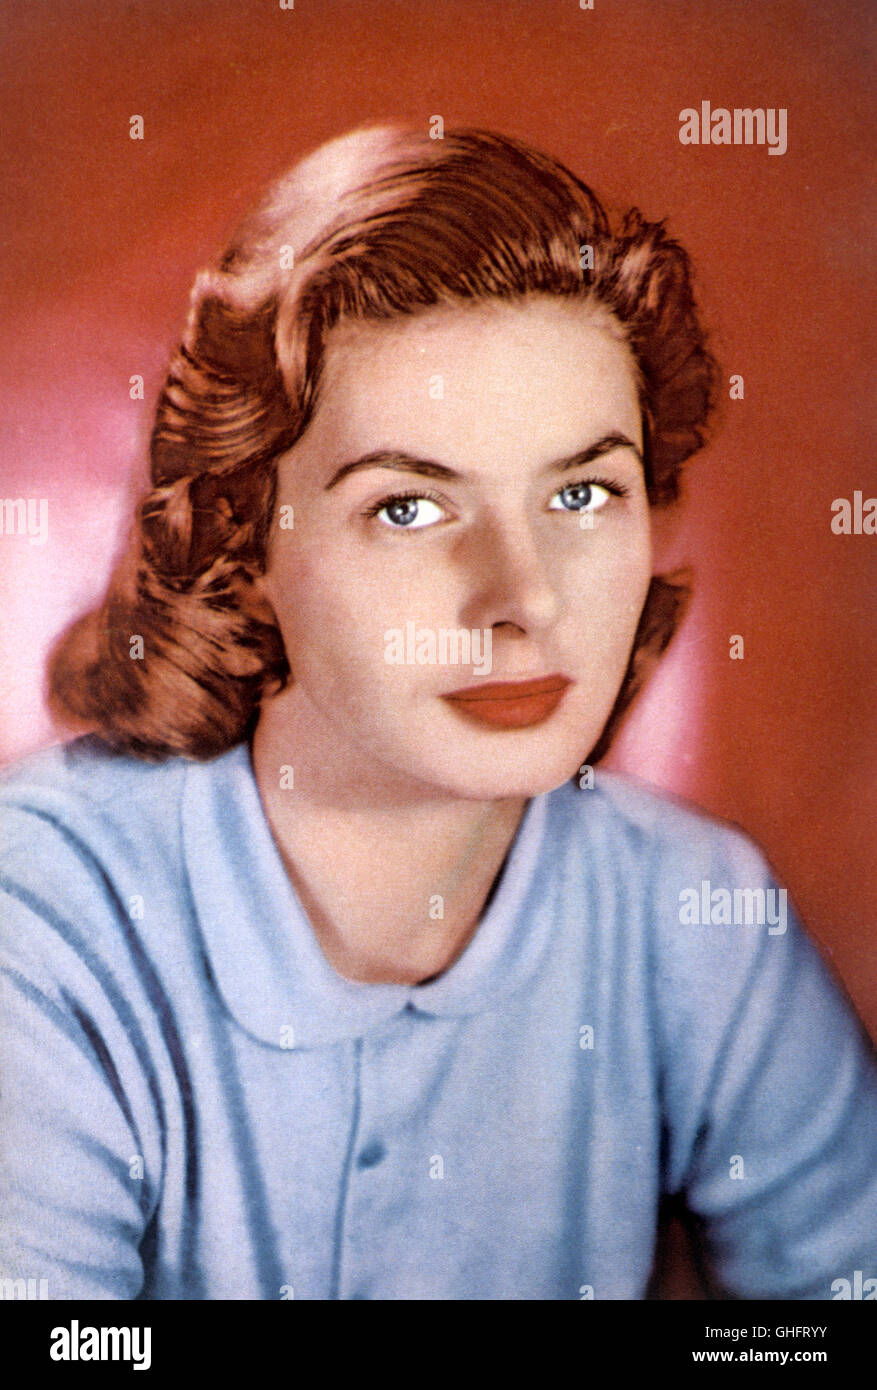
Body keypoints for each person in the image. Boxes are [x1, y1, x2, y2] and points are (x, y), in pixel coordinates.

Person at [1, 125, 875, 1301]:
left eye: (581, 492)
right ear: (242, 540)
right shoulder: (43, 927)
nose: (525, 597)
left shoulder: (691, 909)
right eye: (409, 507)